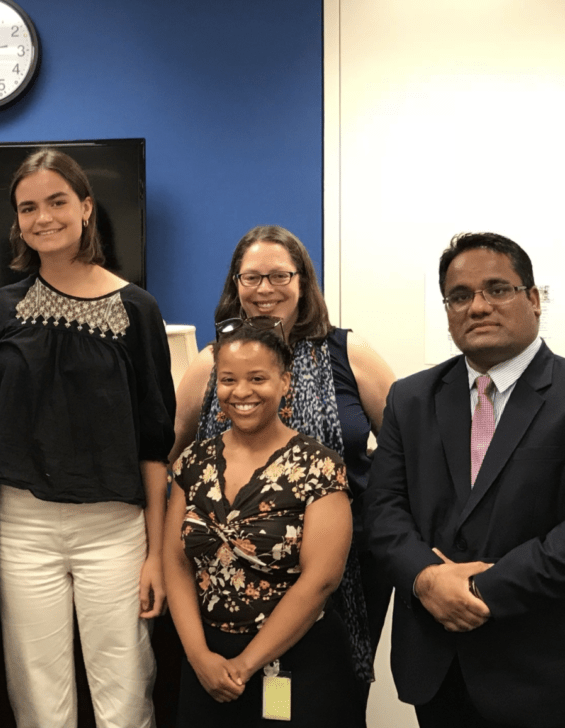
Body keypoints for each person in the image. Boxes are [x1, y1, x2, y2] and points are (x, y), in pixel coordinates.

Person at [0, 148, 176, 728]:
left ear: (86, 207)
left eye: (57, 201)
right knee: (38, 693)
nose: (44, 217)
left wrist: (156, 555)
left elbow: (154, 443)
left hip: (114, 528)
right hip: (23, 526)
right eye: (28, 207)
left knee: (125, 686)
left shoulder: (138, 309)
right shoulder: (0, 310)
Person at [170, 225, 395, 676]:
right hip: (225, 580)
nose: (264, 289)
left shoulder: (351, 353)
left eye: (279, 276)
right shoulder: (210, 364)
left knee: (329, 693)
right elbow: (172, 456)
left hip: (341, 569)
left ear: (303, 281)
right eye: (251, 277)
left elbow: (406, 450)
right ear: (236, 284)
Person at [364, 232, 565, 728]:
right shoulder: (410, 399)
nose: (478, 306)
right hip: (436, 663)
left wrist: (479, 589)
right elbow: (384, 512)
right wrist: (426, 579)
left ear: (534, 299)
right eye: (460, 296)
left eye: (498, 289)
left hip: (541, 665)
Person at [164, 318, 362, 726]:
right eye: (228, 379)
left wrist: (246, 664)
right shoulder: (193, 462)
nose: (241, 392)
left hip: (296, 659)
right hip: (207, 657)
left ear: (285, 382)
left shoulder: (320, 466)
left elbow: (321, 579)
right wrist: (199, 657)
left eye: (257, 378)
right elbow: (175, 561)